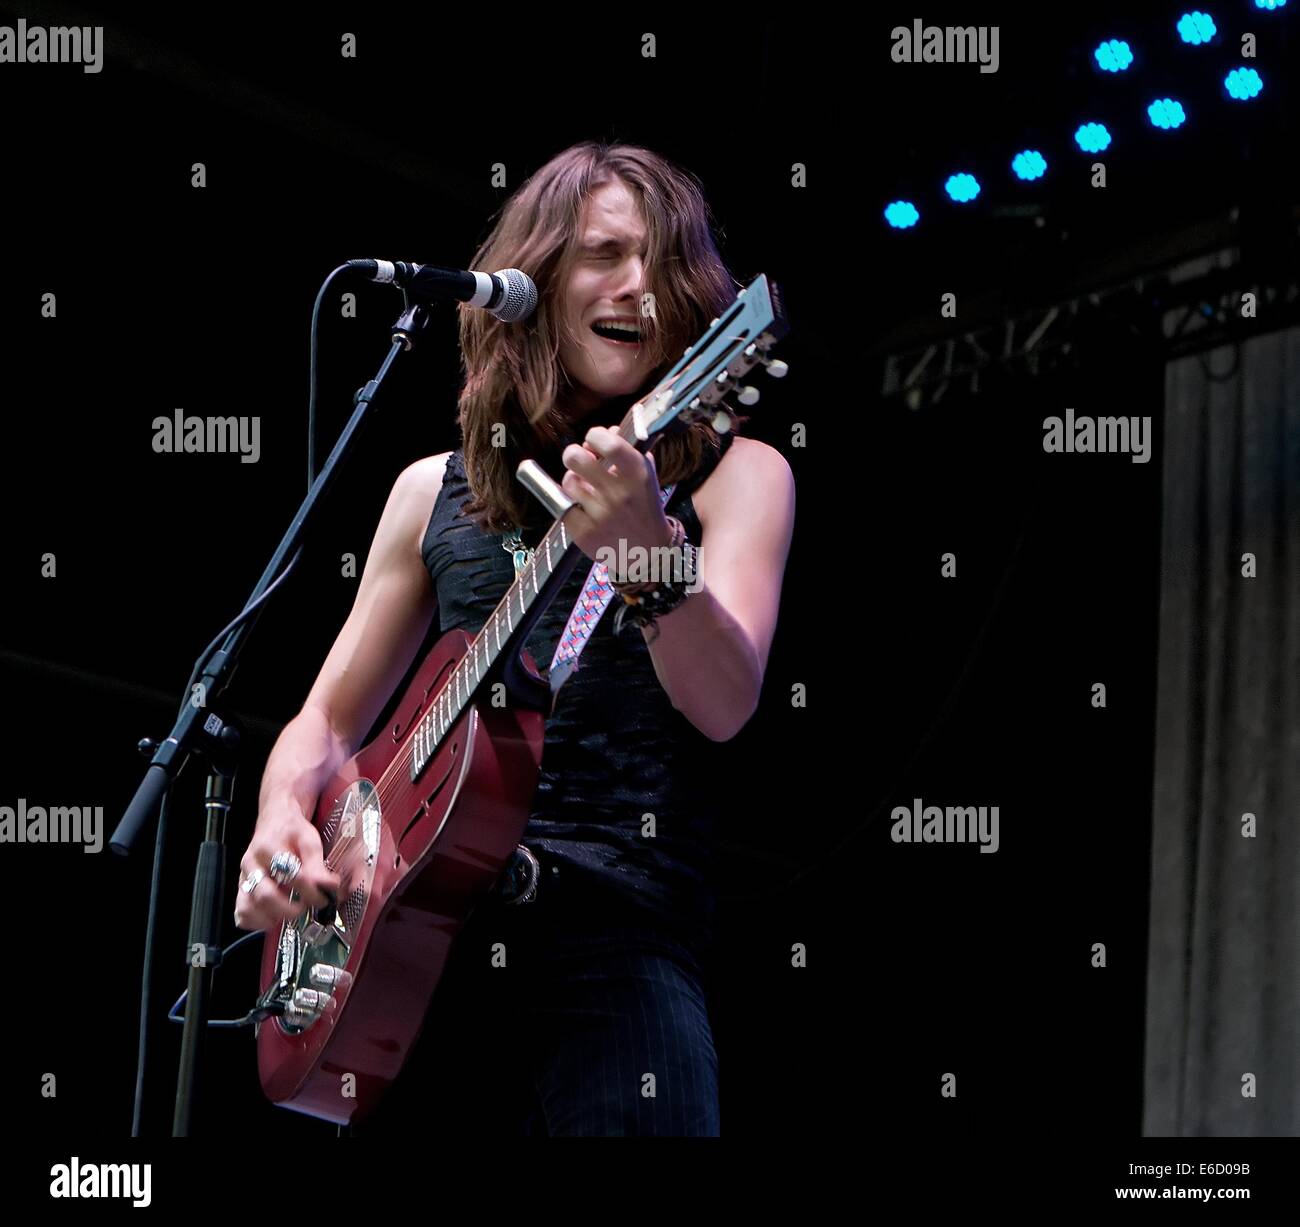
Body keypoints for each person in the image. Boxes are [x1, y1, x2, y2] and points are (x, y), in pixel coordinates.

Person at [233, 141, 795, 1136]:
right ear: (529, 282)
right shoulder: (428, 491)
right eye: (604, 254)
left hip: (615, 956)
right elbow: (324, 724)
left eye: (664, 262)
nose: (639, 287)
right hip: (417, 961)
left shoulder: (732, 473)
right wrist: (281, 816)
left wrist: (644, 560)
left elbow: (726, 700)